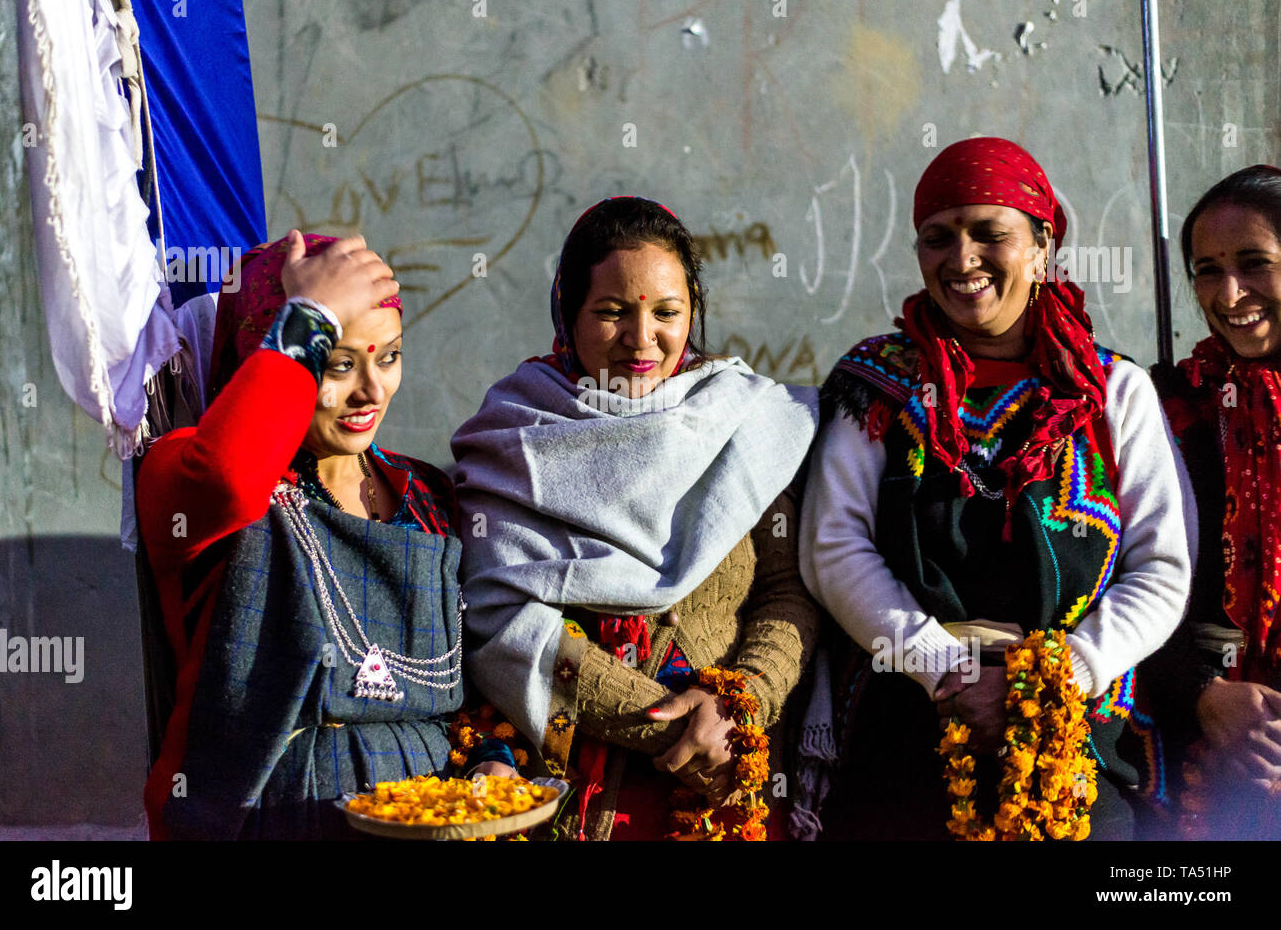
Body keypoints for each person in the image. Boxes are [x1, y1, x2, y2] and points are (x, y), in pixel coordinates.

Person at [798, 138, 1194, 840]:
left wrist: (1060, 675)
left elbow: (1161, 567)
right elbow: (834, 548)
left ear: (1042, 245)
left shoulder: (1113, 393)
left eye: (990, 233)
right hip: (909, 718)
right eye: (938, 237)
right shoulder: (876, 386)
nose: (962, 259)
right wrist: (945, 671)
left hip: (1074, 724)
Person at [452, 197, 821, 840]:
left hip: (724, 792)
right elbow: (499, 617)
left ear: (692, 313)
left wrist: (743, 702)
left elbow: (787, 591)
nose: (641, 339)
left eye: (666, 312)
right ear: (569, 313)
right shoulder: (518, 436)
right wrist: (673, 729)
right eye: (612, 312)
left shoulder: (740, 422)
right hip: (573, 801)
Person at [138, 231, 488, 839]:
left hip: (431, 817)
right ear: (270, 352)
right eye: (337, 364)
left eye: (388, 357)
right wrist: (311, 316)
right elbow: (228, 476)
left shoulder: (427, 495)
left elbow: (473, 679)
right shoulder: (187, 476)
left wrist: (491, 761)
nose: (370, 392)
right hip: (275, 818)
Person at [1152, 165, 1281, 839]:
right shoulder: (1163, 407)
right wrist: (1200, 693)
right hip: (1198, 748)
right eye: (1206, 269)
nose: (1229, 294)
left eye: (1255, 263)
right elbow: (1119, 577)